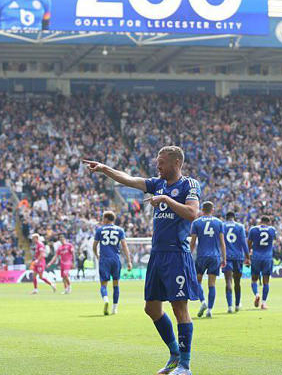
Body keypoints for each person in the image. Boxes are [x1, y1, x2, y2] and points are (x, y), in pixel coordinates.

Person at [83, 145, 200, 375]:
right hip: (157, 255)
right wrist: (105, 168)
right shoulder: (157, 184)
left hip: (177, 253)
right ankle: (175, 354)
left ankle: (185, 365)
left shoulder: (189, 185)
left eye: (162, 162)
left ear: (176, 163)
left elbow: (192, 213)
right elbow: (129, 179)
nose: (158, 166)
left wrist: (166, 199)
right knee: (151, 308)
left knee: (179, 308)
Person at [189, 201, 226, 318]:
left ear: (202, 210)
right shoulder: (219, 222)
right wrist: (224, 258)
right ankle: (209, 309)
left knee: (197, 281)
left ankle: (203, 302)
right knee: (212, 284)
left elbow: (193, 242)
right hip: (215, 256)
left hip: (201, 256)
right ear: (212, 210)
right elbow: (222, 243)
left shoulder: (196, 223)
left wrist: (189, 255)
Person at [92, 210, 133, 315]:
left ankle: (105, 299)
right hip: (116, 259)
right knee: (116, 284)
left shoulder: (100, 230)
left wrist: (97, 256)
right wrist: (129, 261)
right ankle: (115, 308)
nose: (102, 220)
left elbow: (94, 246)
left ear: (106, 219)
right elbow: (124, 246)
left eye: (103, 218)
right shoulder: (120, 230)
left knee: (103, 284)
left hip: (104, 259)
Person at [222, 211, 249, 313]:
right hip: (238, 257)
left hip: (226, 256)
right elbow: (243, 242)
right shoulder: (240, 226)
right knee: (237, 282)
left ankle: (229, 306)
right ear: (234, 217)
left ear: (226, 217)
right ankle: (237, 305)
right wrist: (247, 257)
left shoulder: (222, 226)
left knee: (228, 281)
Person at [247, 216, 276, 310]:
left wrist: (247, 257)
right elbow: (272, 242)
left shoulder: (253, 229)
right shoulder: (272, 230)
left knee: (254, 280)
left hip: (256, 257)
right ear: (269, 222)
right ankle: (263, 303)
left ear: (260, 221)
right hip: (267, 258)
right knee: (266, 281)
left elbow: (249, 244)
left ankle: (256, 294)